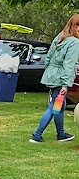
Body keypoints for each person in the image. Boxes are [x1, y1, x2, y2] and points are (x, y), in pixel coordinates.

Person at [28, 14, 79, 143]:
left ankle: (61, 134)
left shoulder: (61, 36)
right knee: (54, 106)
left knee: (60, 105)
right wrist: (65, 85)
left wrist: (50, 72)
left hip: (52, 75)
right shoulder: (75, 42)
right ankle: (37, 135)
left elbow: (49, 57)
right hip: (61, 78)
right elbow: (69, 65)